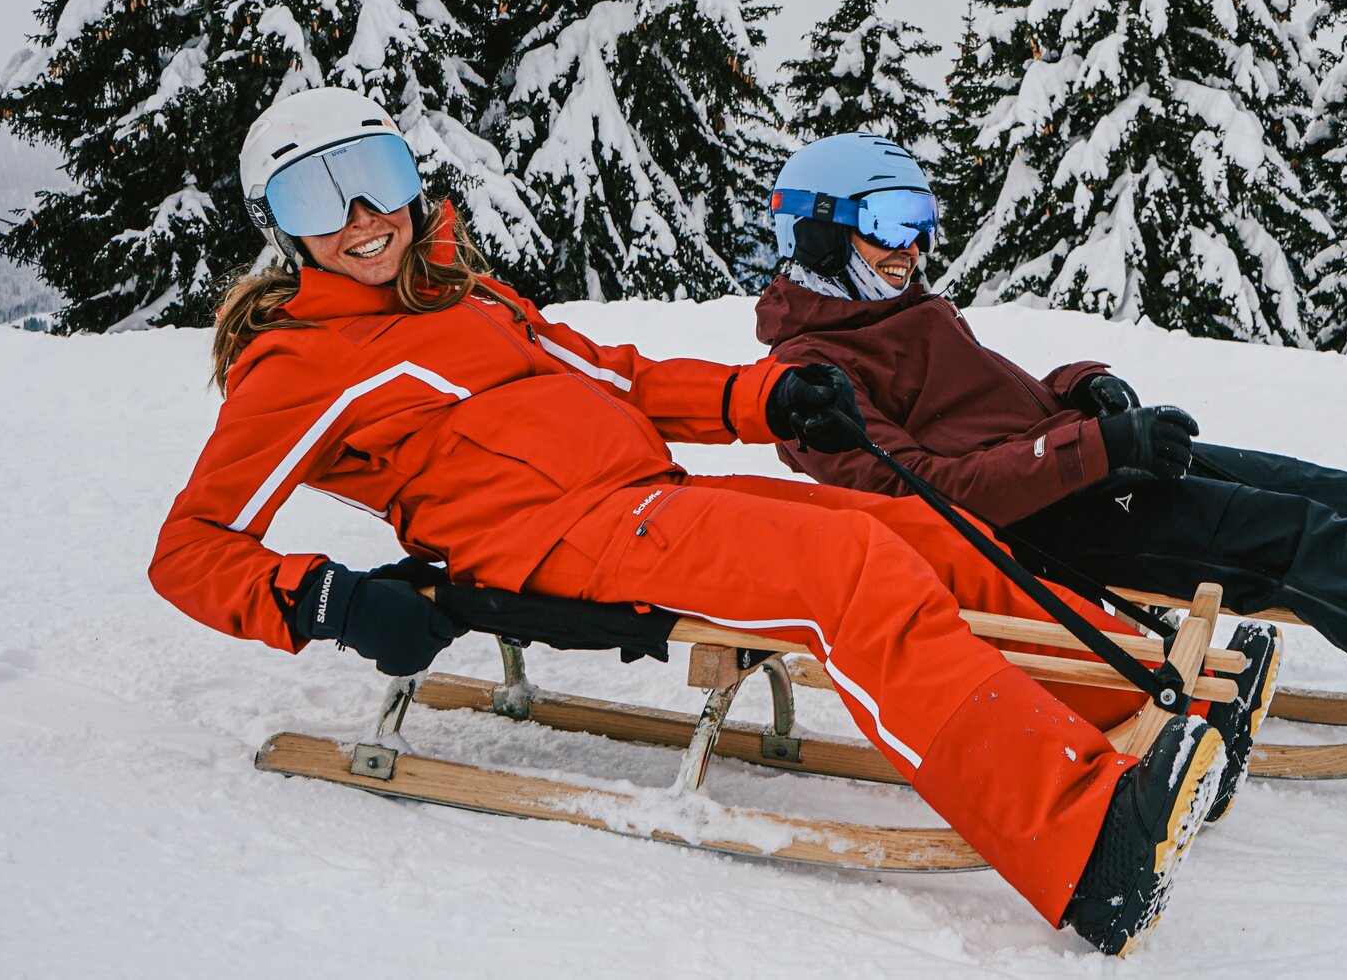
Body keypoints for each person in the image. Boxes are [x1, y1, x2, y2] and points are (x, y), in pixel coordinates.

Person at [148, 88, 1228, 955]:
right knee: (848, 566)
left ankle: (1145, 702)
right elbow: (189, 550)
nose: (362, 221)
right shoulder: (295, 361)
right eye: (316, 199)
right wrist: (325, 598)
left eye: (376, 180)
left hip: (645, 495)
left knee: (910, 530)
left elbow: (616, 373)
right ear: (278, 230)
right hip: (557, 541)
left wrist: (763, 397)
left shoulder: (471, 300)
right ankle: (1085, 847)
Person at [757, 134, 1347, 817]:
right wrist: (1096, 450)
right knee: (1305, 546)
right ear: (819, 233)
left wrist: (1083, 390)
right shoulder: (810, 380)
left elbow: (995, 407)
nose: (912, 245)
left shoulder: (902, 313)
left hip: (1077, 468)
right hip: (1044, 526)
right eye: (886, 223)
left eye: (921, 220)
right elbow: (926, 492)